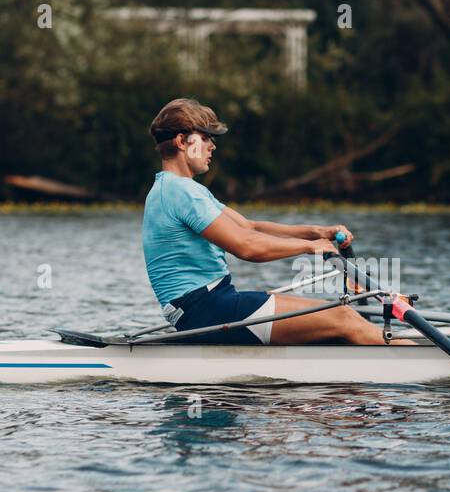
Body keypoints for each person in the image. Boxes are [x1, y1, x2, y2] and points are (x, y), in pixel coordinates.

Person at [142, 98, 398, 345]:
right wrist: (310, 247)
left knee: (334, 323)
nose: (212, 146)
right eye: (206, 137)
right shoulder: (181, 192)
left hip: (207, 307)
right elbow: (247, 247)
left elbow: (248, 227)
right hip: (208, 309)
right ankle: (411, 358)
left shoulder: (177, 189)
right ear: (181, 142)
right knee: (343, 317)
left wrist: (316, 232)